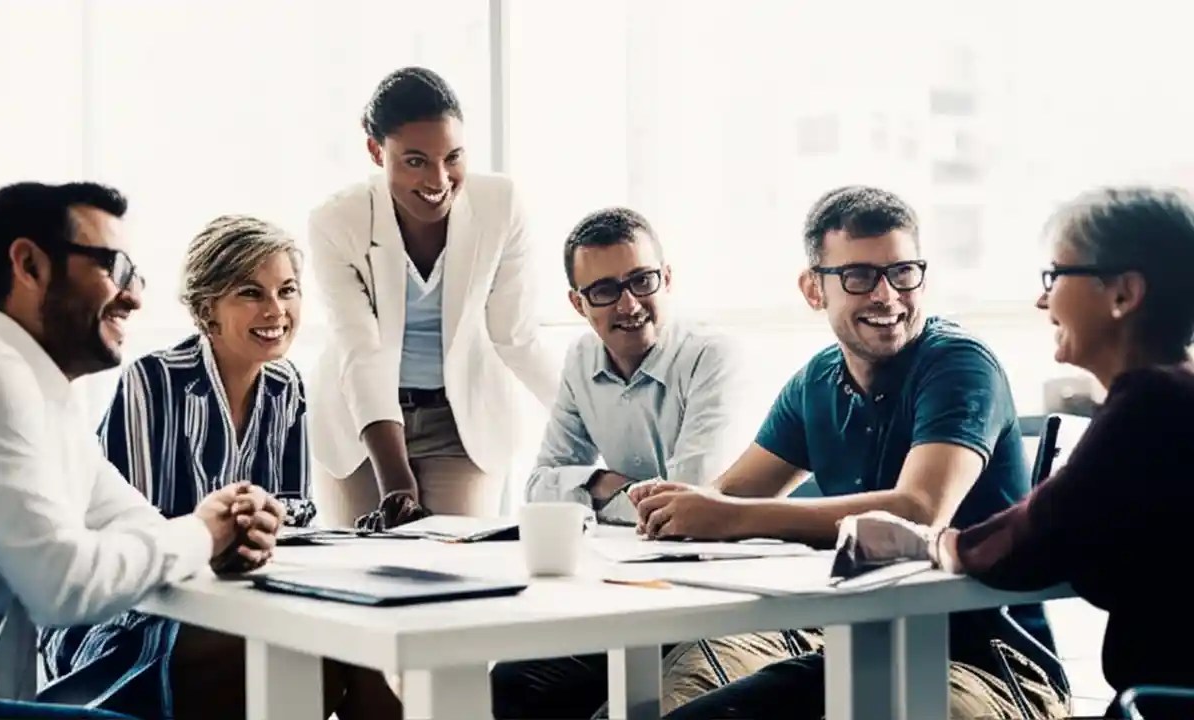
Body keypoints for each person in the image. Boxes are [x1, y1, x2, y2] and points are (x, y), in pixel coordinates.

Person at [636, 186, 1070, 719]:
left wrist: (728, 515)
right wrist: (676, 504)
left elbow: (919, 512)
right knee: (669, 699)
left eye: (903, 272)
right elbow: (728, 495)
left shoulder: (959, 364)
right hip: (841, 636)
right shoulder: (816, 380)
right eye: (860, 277)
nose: (887, 296)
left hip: (988, 664)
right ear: (813, 289)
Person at [0, 182, 281, 719]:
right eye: (113, 268)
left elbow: (138, 522)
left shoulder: (45, 395)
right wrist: (207, 531)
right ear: (29, 265)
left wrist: (226, 525)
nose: (132, 297)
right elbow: (63, 587)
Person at [845, 186, 1194, 720]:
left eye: (1055, 277)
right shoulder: (1170, 398)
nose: (1041, 300)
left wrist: (935, 543)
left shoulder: (1153, 404)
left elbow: (1034, 537)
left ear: (1123, 294)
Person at [36, 216, 400, 719]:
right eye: (251, 293)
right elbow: (143, 537)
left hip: (242, 605)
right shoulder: (154, 381)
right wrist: (227, 535)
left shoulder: (286, 386)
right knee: (321, 651)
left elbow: (294, 518)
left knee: (350, 647)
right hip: (125, 620)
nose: (276, 310)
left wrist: (269, 528)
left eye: (288, 290)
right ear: (208, 311)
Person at [491, 207, 816, 718]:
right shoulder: (581, 359)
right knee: (511, 683)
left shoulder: (714, 357)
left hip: (726, 600)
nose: (629, 304)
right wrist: (601, 481)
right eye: (604, 291)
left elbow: (688, 501)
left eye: (642, 280)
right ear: (579, 304)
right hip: (634, 593)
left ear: (667, 278)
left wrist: (600, 495)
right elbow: (538, 487)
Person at [308, 66, 559, 530]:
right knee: (360, 573)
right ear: (375, 150)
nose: (439, 179)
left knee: (455, 570)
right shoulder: (336, 220)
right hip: (359, 427)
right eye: (416, 160)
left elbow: (516, 336)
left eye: (454, 157)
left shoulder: (498, 205)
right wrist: (397, 483)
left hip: (460, 419)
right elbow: (363, 350)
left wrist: (585, 422)